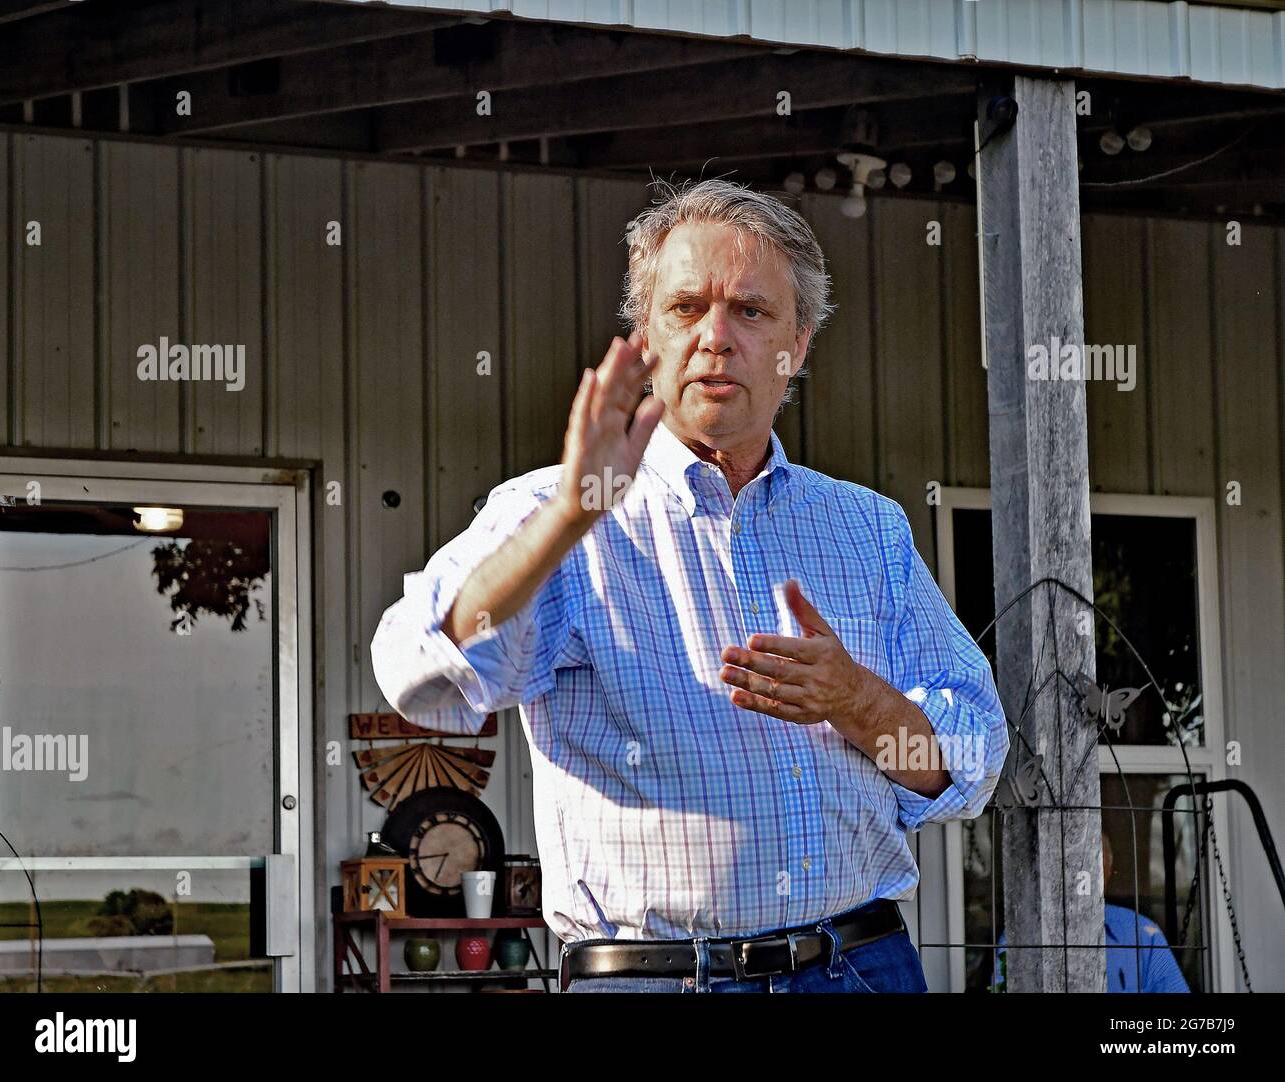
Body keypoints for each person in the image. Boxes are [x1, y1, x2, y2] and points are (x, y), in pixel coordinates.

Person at [371, 178, 1009, 993]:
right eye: (685, 309)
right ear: (646, 335)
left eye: (751, 310)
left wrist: (858, 702)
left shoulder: (868, 528)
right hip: (658, 978)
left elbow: (973, 758)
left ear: (799, 344)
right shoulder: (549, 514)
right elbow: (417, 678)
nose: (716, 337)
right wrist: (571, 516)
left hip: (859, 966)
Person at [991, 832, 1191, 992]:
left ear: (1109, 870)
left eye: (1094, 864)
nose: (1082, 875)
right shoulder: (1022, 933)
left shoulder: (1141, 933)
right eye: (1074, 864)